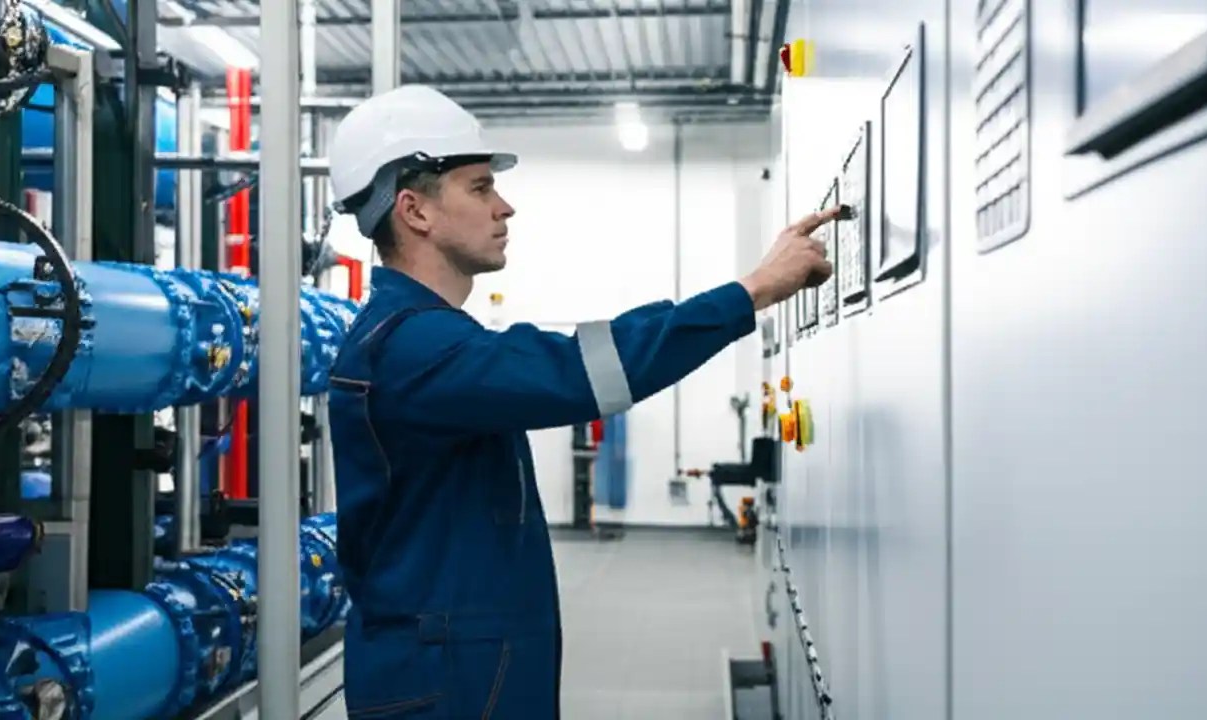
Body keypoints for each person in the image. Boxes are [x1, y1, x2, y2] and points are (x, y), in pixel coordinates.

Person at [326, 84, 836, 719]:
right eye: (481, 188)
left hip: (456, 665)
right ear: (416, 211)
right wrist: (753, 290)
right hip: (447, 682)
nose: (504, 207)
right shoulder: (411, 347)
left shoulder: (422, 338)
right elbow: (576, 371)